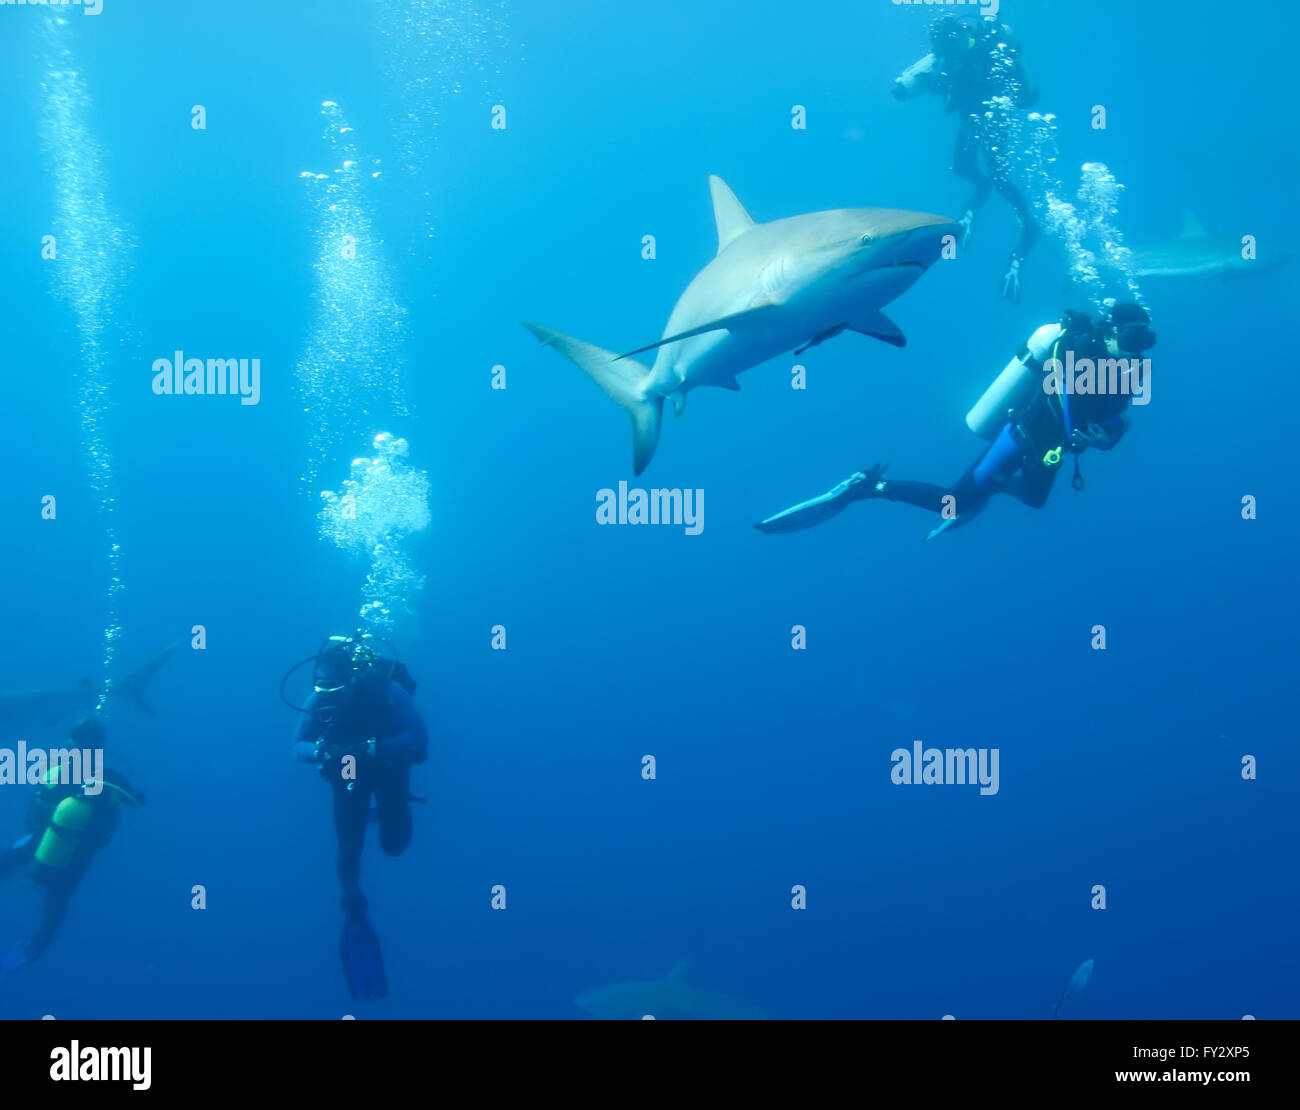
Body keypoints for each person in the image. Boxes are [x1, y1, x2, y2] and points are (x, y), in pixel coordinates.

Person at [755, 303, 1157, 538]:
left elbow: (1122, 422)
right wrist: (1076, 435)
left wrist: (1104, 440)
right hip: (1023, 434)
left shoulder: (1129, 373)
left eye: (1144, 343)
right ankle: (868, 487)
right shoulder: (1074, 348)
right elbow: (1064, 392)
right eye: (1131, 341)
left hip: (1052, 450)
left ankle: (991, 489)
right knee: (953, 503)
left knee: (1035, 501)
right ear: (1109, 332)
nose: (1136, 352)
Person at [287, 633, 428, 1000]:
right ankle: (352, 905)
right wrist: (322, 751)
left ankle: (383, 814)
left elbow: (417, 734)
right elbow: (296, 747)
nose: (329, 695)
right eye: (324, 688)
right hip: (346, 775)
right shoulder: (318, 698)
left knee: (395, 847)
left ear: (352, 678)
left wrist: (375, 747)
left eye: (336, 688)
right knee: (348, 849)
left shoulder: (386, 690)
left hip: (388, 770)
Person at [893, 12, 1039, 301]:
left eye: (950, 46)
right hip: (969, 118)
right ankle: (978, 199)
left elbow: (1024, 93)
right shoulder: (947, 57)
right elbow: (907, 87)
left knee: (1000, 180)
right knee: (961, 167)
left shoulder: (988, 47)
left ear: (961, 36)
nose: (947, 53)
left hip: (993, 117)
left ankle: (1025, 240)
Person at [0, 716, 144, 984]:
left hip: (37, 844)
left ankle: (38, 937)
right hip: (76, 862)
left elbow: (35, 814)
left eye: (70, 745)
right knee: (56, 905)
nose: (67, 749)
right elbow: (137, 801)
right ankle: (37, 945)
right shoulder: (111, 779)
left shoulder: (59, 771)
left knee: (8, 860)